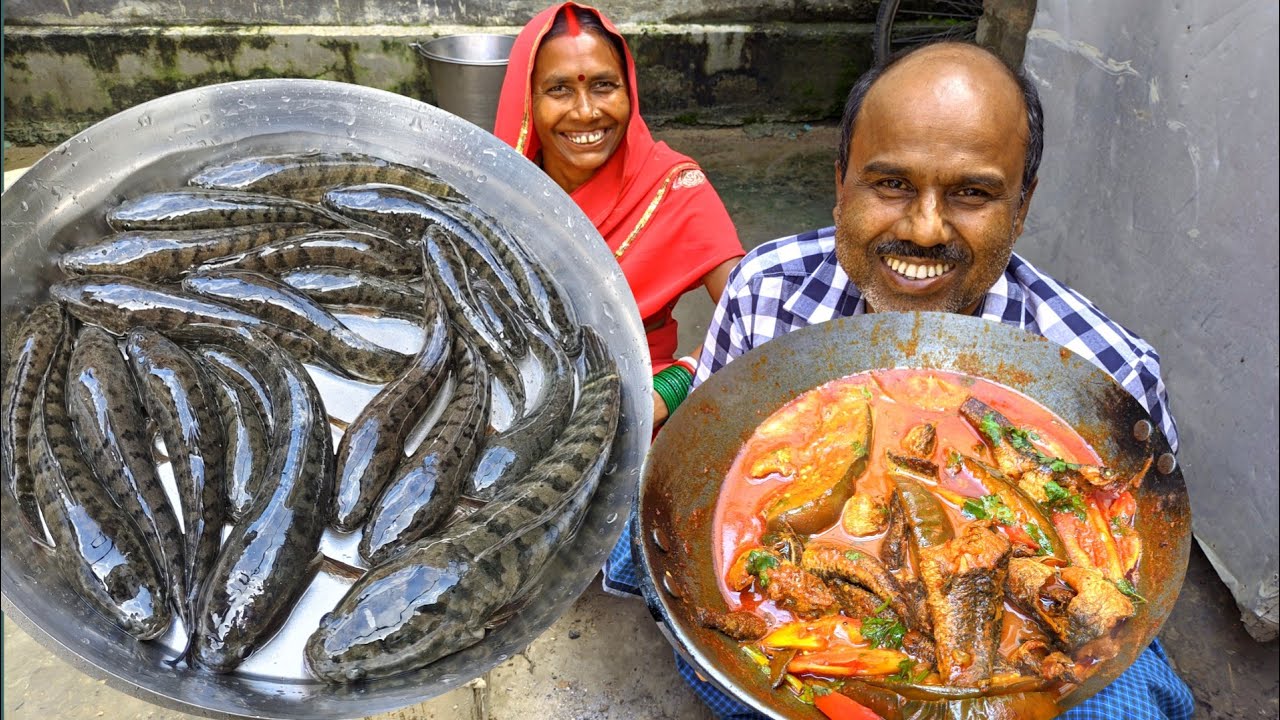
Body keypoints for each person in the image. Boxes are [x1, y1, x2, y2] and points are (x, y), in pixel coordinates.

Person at [606, 41, 1194, 719]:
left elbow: (1132, 576)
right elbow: (701, 477)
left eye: (972, 192)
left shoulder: (1106, 372)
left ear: (1022, 205)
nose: (923, 228)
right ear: (841, 183)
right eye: (890, 184)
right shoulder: (765, 289)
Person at [493, 2, 745, 427]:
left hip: (635, 410)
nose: (587, 111)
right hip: (514, 405)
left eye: (604, 86)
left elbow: (757, 312)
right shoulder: (503, 193)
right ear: (527, 101)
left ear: (629, 89)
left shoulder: (672, 186)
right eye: (559, 90)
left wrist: (675, 384)